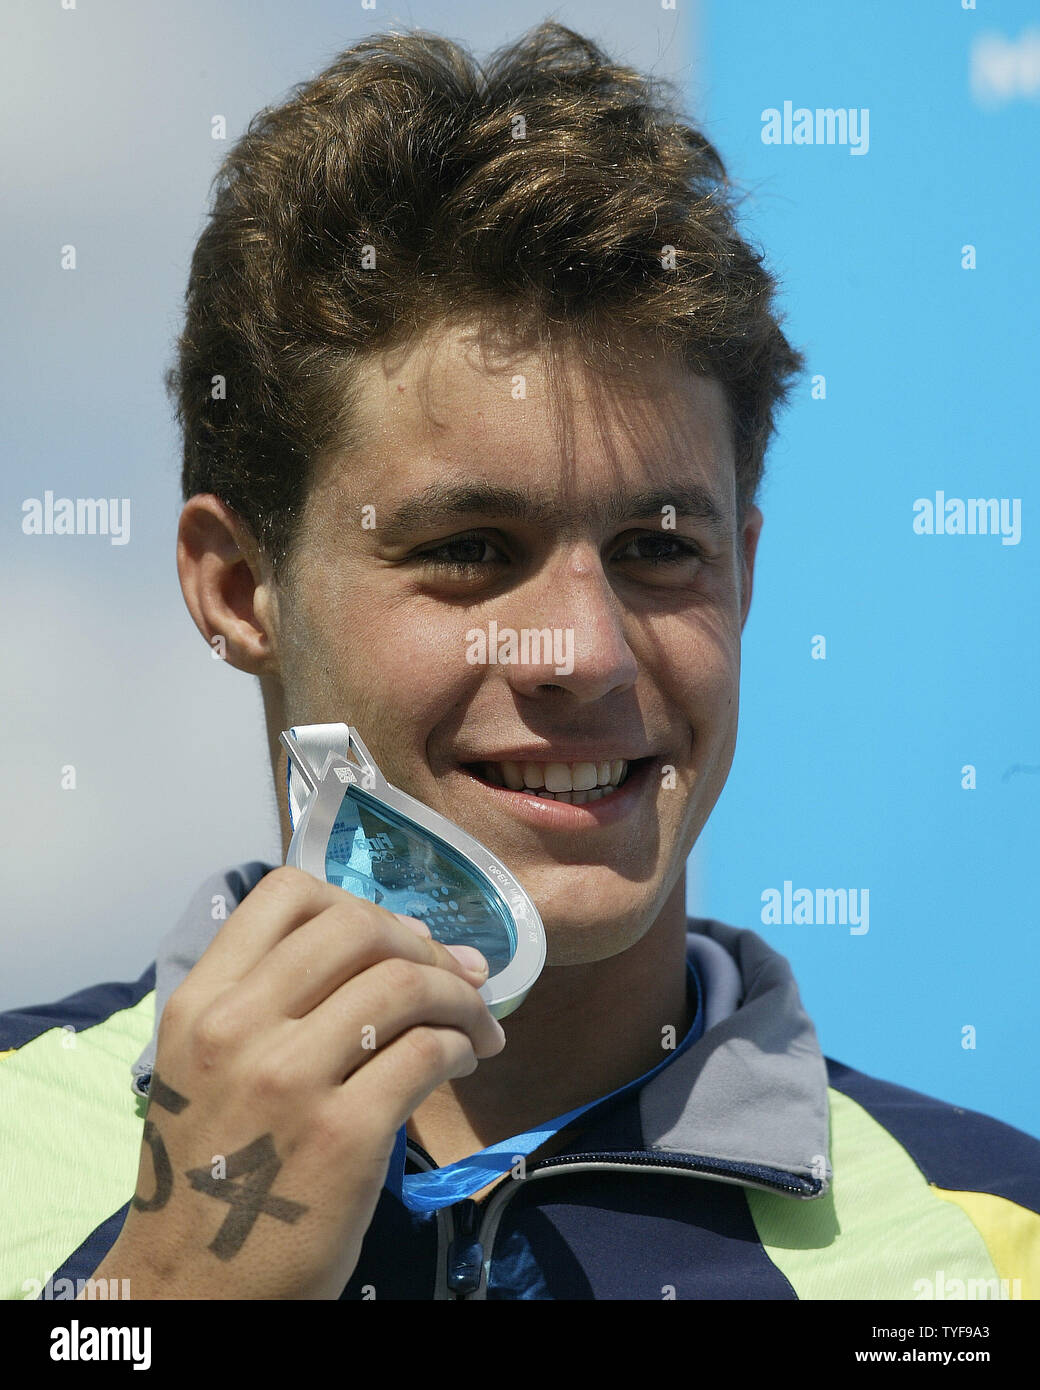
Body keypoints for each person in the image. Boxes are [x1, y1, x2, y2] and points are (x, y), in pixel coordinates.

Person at [2, 22, 1037, 1303]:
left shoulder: (994, 1245)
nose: (584, 653)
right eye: (473, 546)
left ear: (747, 574)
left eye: (658, 550)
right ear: (236, 587)